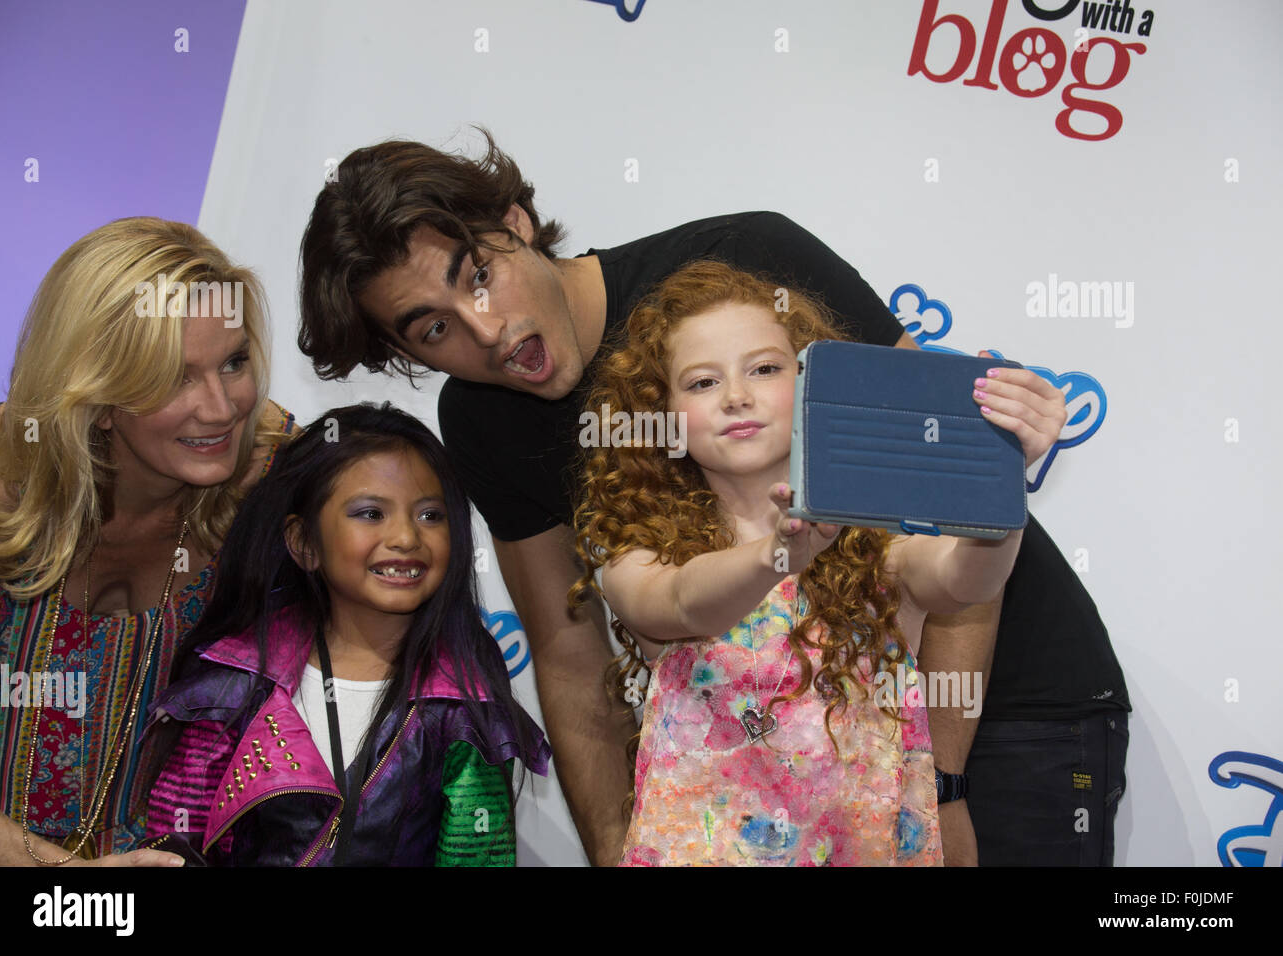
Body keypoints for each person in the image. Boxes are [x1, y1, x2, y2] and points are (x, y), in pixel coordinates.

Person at [297, 132, 1130, 866]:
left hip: (1012, 710)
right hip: (787, 791)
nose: (482, 330)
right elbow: (569, 648)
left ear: (515, 224)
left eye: (478, 276)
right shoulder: (483, 420)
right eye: (432, 328)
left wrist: (938, 782)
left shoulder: (753, 258)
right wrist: (623, 846)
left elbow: (940, 507)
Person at [567, 260, 1066, 864]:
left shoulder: (879, 535)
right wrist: (776, 556)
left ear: (811, 384)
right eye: (702, 382)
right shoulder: (640, 548)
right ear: (661, 410)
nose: (736, 396)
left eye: (765, 368)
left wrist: (996, 479)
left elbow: (964, 579)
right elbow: (677, 601)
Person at [0, 217, 296, 865]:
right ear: (97, 397)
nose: (219, 408)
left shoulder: (280, 479)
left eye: (234, 362)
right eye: (176, 378)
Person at [143, 403, 550, 865]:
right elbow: (174, 847)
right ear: (304, 543)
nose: (405, 538)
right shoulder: (232, 685)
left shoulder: (461, 708)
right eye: (371, 513)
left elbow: (478, 857)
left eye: (430, 515)